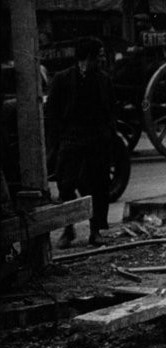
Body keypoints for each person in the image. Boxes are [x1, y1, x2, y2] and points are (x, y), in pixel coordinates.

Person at [47, 38, 116, 247]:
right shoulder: (62, 79)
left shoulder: (104, 80)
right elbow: (52, 112)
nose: (103, 59)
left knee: (97, 185)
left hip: (96, 139)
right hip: (71, 138)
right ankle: (68, 229)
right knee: (66, 185)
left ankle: (96, 231)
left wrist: (107, 135)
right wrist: (58, 141)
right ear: (88, 57)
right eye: (100, 55)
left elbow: (111, 111)